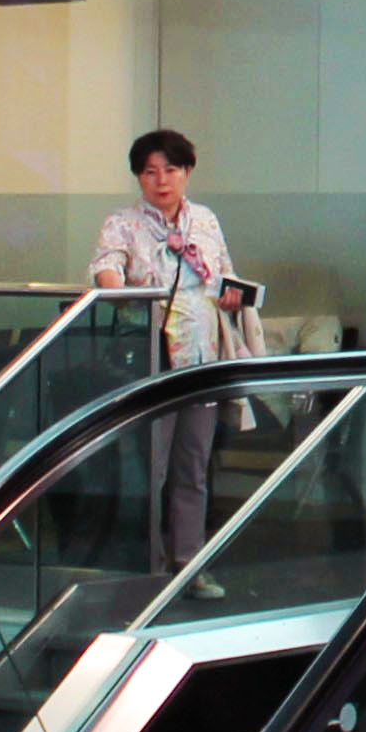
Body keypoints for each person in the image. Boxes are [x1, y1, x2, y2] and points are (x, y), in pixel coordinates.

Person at [92, 126, 253, 575]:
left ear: (187, 172)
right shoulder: (123, 223)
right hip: (150, 358)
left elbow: (224, 274)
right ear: (138, 177)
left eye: (171, 169)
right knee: (151, 469)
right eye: (150, 172)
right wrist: (115, 287)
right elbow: (106, 266)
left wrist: (233, 295)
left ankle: (189, 565)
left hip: (200, 358)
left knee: (193, 467)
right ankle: (149, 566)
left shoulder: (205, 220)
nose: (161, 180)